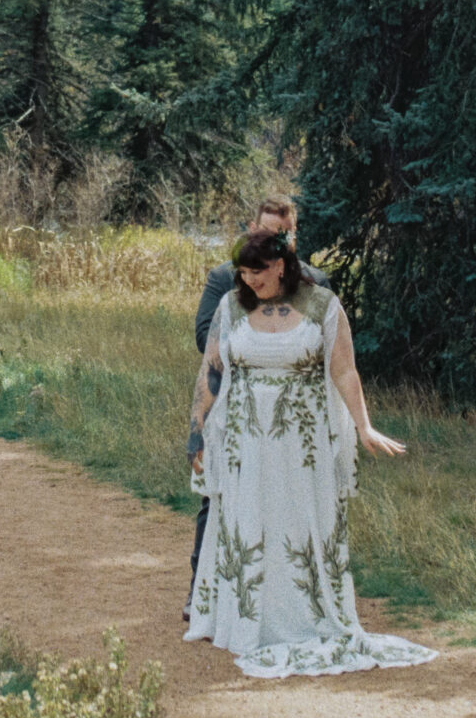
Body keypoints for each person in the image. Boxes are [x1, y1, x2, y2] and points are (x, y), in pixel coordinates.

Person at [184, 229, 434, 678]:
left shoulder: (322, 305)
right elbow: (211, 370)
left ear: (280, 265)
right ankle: (245, 618)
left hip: (302, 442)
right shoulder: (231, 306)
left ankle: (305, 617)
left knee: (298, 519)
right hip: (245, 442)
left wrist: (364, 426)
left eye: (255, 271)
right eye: (241, 272)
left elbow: (343, 369)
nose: (248, 281)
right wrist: (198, 433)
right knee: (248, 519)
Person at [189, 200, 327, 589]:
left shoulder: (316, 284)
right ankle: (201, 585)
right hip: (238, 399)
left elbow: (329, 352)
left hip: (293, 411)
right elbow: (205, 337)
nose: (272, 241)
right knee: (221, 494)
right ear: (251, 227)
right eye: (264, 232)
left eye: (281, 235)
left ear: (293, 237)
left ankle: (287, 588)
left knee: (290, 500)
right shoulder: (224, 278)